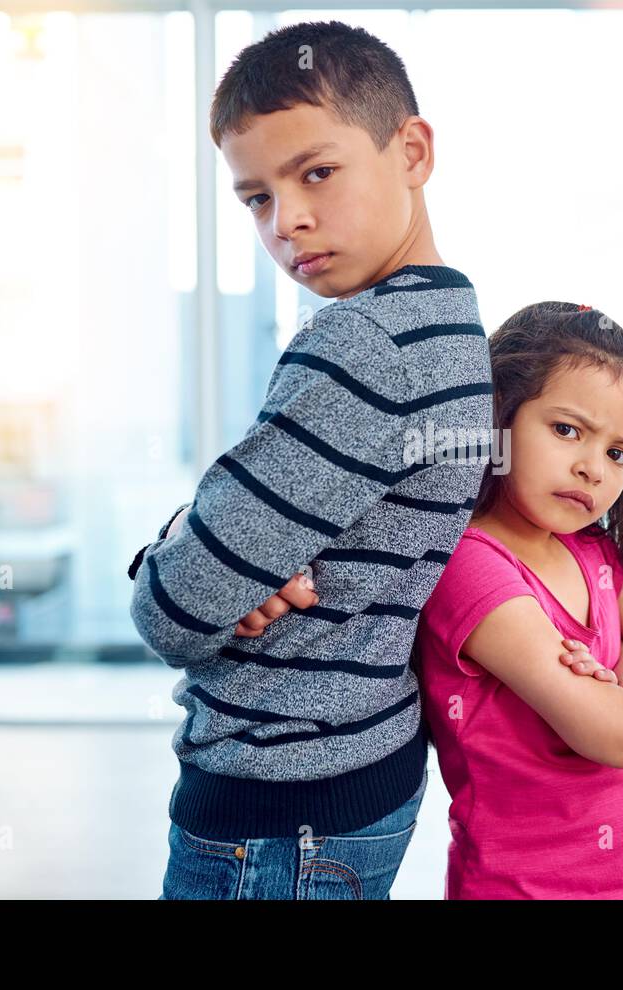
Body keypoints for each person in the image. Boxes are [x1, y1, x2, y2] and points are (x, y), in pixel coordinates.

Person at [128, 20, 493, 900]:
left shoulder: (364, 344)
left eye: (316, 172)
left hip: (276, 811)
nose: (287, 219)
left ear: (412, 150)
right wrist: (216, 550)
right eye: (255, 197)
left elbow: (172, 609)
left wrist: (176, 550)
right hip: (353, 777)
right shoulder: (449, 323)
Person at [415, 301, 623, 898]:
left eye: (618, 453)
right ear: (499, 418)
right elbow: (620, 739)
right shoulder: (472, 567)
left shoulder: (590, 554)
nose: (592, 469)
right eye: (567, 430)